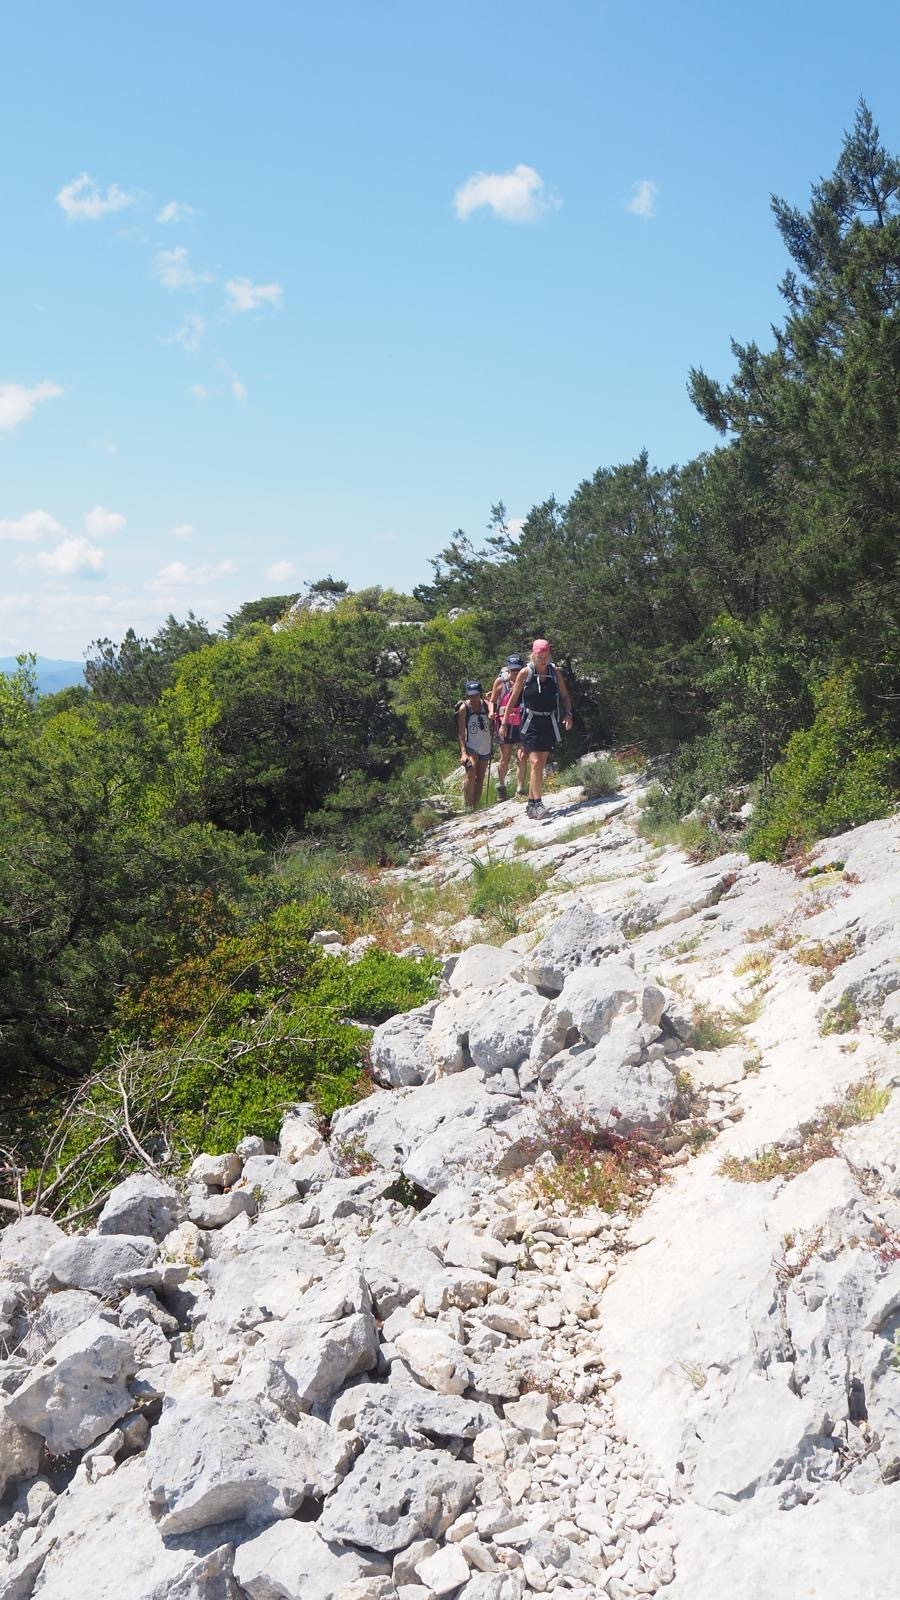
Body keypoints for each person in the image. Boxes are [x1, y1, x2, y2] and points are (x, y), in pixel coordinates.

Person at [499, 639, 572, 819]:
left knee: (540, 763)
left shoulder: (554, 672)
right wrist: (504, 723)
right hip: (529, 723)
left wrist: (568, 714)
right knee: (535, 763)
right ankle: (538, 803)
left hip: (548, 722)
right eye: (539, 656)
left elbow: (564, 695)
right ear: (533, 655)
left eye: (546, 656)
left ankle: (531, 805)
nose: (543, 660)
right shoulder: (525, 673)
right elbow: (512, 699)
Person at [489, 653, 527, 801]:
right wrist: (491, 712)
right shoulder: (501, 682)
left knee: (522, 755)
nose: (515, 673)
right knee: (504, 757)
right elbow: (492, 700)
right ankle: (502, 787)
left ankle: (520, 789)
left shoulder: (526, 681)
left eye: (518, 670)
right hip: (504, 723)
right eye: (513, 670)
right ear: (508, 669)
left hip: (522, 722)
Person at [456, 679, 493, 810]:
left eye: (476, 695)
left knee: (481, 778)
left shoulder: (485, 704)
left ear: (480, 694)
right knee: (471, 772)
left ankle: (475, 807)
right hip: (471, 746)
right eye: (471, 695)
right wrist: (463, 753)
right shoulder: (464, 709)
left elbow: (492, 706)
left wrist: (491, 712)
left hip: (485, 746)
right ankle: (468, 806)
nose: (473, 698)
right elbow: (461, 733)